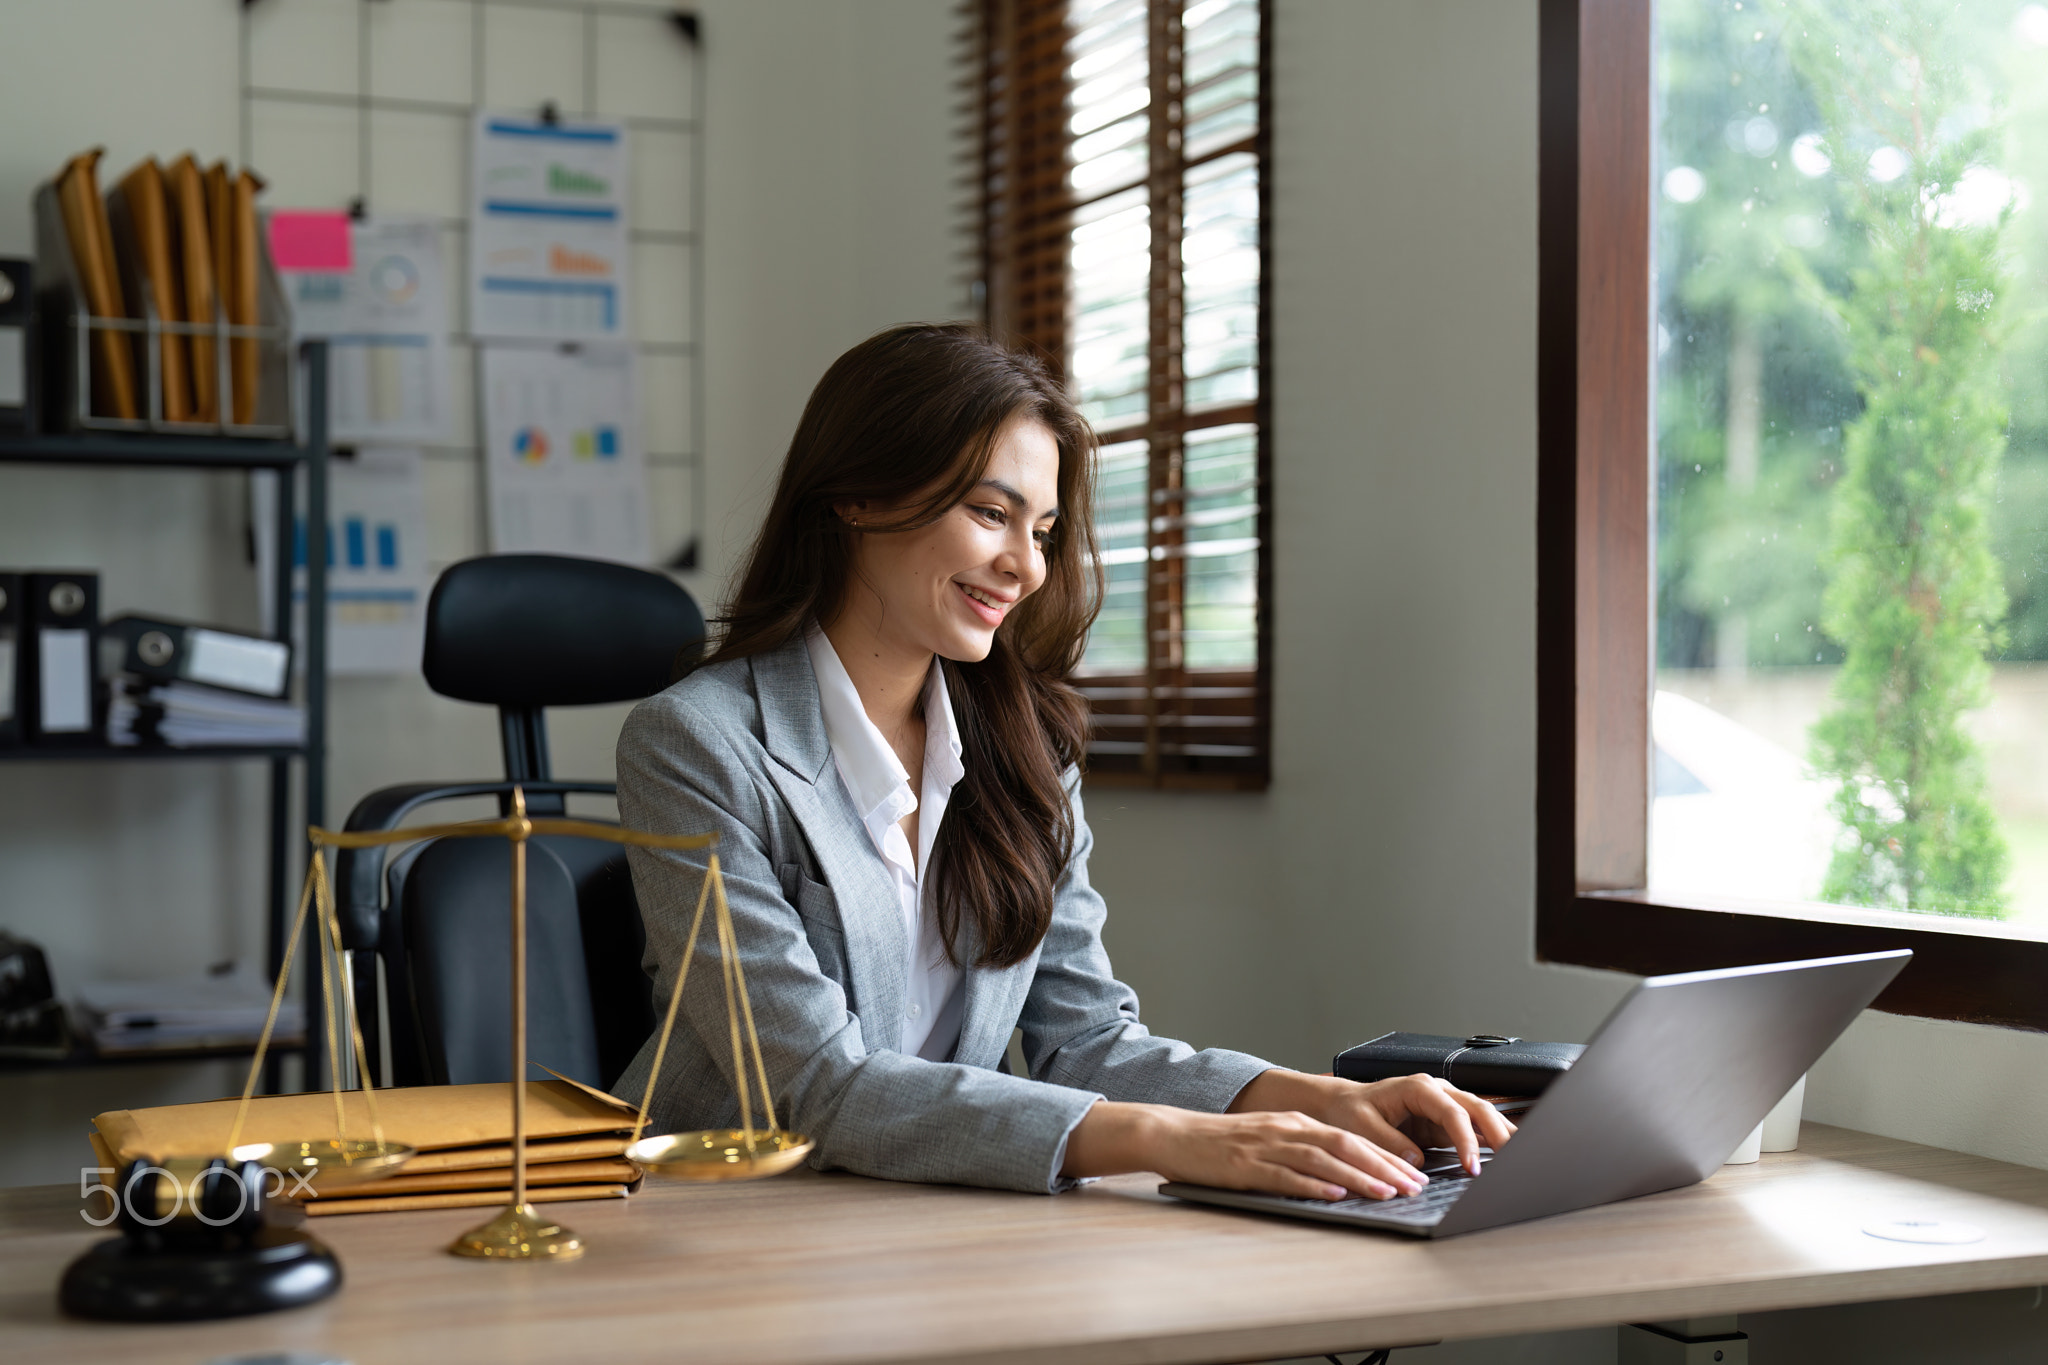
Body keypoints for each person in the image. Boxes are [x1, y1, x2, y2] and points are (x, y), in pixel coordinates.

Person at [612, 323, 1514, 1198]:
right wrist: (1179, 1138)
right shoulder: (697, 743)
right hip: (732, 1217)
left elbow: (1082, 1040)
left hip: (923, 1209)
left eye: (1040, 530)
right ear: (859, 494)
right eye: (991, 513)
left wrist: (1326, 1100)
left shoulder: (1024, 749)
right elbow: (810, 1084)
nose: (1026, 567)